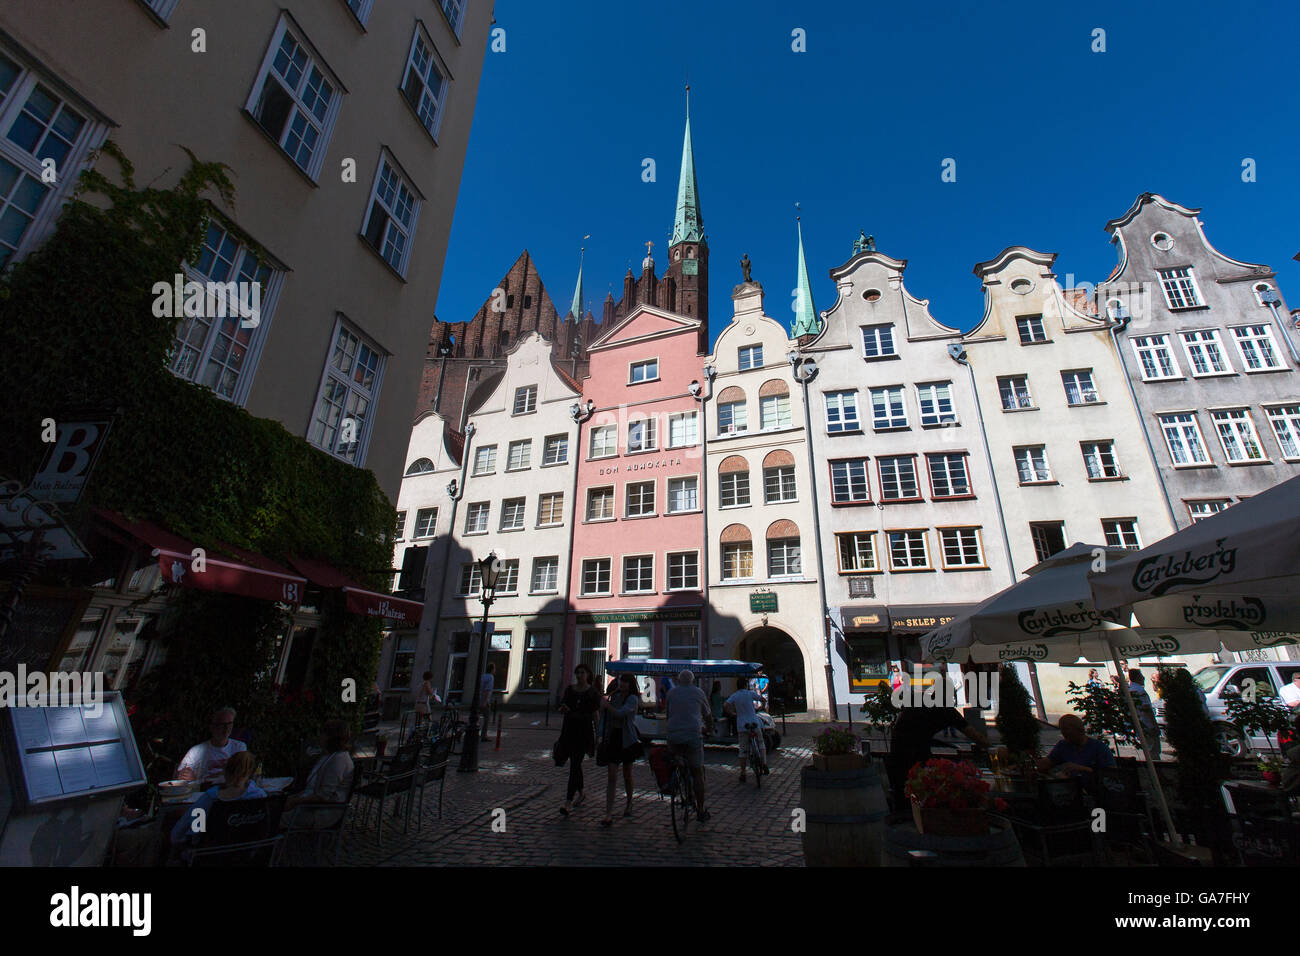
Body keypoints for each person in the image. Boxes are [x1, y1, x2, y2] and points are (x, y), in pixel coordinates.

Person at [887, 674, 988, 810]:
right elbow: (976, 737)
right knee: (924, 790)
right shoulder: (947, 710)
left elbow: (905, 722)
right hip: (915, 754)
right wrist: (992, 748)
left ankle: (907, 811)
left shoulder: (918, 699)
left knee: (905, 792)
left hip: (897, 751)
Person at [170, 750, 266, 847]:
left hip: (210, 852)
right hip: (248, 852)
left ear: (225, 772)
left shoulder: (210, 798)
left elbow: (186, 832)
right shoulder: (259, 796)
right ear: (251, 773)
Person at [284, 719, 355, 828]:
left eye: (322, 734)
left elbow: (323, 796)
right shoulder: (329, 756)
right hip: (312, 806)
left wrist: (295, 801)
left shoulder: (338, 761)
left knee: (274, 817)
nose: (319, 737)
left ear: (331, 738)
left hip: (323, 812)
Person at [665, 669, 712, 821]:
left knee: (676, 759)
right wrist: (709, 729)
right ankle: (701, 809)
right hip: (693, 735)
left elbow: (668, 715)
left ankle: (676, 777)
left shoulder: (671, 693)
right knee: (697, 771)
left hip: (673, 735)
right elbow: (708, 715)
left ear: (679, 680)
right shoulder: (699, 693)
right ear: (693, 681)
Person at [597, 673, 643, 826]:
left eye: (625, 682)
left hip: (627, 739)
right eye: (621, 681)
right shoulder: (615, 696)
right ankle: (608, 813)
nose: (622, 684)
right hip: (614, 738)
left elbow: (620, 713)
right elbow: (605, 717)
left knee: (627, 774)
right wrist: (600, 734)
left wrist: (607, 706)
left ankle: (629, 802)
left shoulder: (633, 699)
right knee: (612, 775)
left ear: (631, 684)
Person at [557, 664, 600, 816]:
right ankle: (581, 792)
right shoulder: (570, 690)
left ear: (588, 674)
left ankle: (568, 802)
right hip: (569, 731)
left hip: (584, 732)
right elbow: (562, 706)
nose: (579, 675)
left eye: (582, 672)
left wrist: (598, 734)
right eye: (578, 672)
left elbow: (595, 714)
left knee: (575, 764)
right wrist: (562, 709)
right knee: (575, 764)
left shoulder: (592, 692)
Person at [1035, 714, 1115, 783]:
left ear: (1079, 730)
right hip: (1069, 788)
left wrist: (1081, 769)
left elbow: (1111, 774)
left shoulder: (1098, 747)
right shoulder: (1063, 745)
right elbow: (1048, 762)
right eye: (1062, 730)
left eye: (1067, 730)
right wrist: (1036, 763)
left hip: (1095, 788)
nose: (1064, 734)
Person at [176, 706, 246, 784]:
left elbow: (241, 776)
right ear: (211, 726)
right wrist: (186, 777)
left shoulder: (239, 748)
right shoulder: (195, 752)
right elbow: (180, 776)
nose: (226, 728)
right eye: (221, 724)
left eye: (229, 723)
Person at [724, 678, 766, 782]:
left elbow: (725, 705)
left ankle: (743, 773)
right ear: (746, 685)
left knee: (743, 749)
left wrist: (732, 713)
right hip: (754, 722)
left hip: (742, 725)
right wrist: (761, 707)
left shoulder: (735, 695)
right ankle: (764, 763)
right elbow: (762, 699)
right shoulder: (750, 693)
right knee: (761, 742)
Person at [1128, 669, 1161, 759]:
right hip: (1147, 724)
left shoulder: (1130, 689)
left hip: (1139, 724)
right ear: (1137, 677)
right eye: (1141, 676)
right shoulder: (1140, 691)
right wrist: (1154, 725)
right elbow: (1147, 709)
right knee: (1154, 752)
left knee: (1148, 750)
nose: (1144, 678)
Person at [479, 662, 496, 740]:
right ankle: (484, 735)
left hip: (478, 699)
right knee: (487, 718)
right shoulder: (490, 677)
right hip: (484, 701)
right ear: (492, 669)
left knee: (475, 718)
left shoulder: (483, 676)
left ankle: (462, 731)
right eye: (494, 669)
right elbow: (487, 690)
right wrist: (485, 702)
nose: (495, 670)